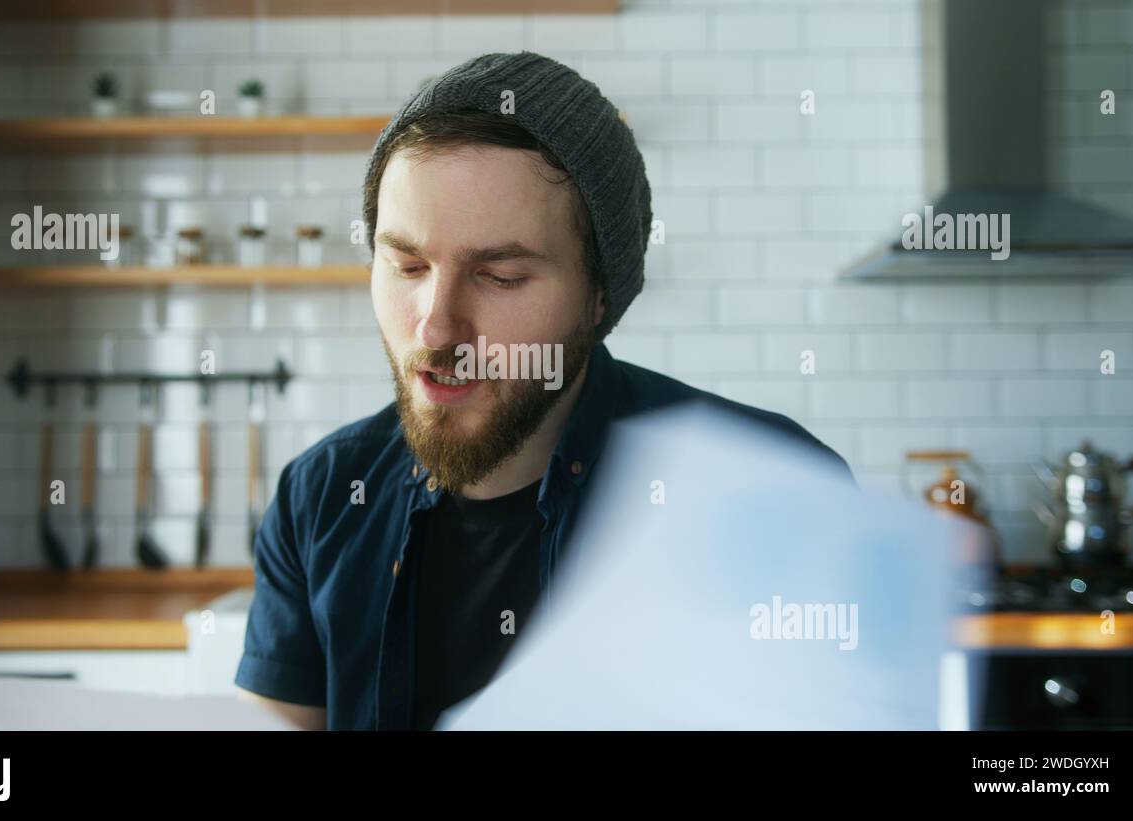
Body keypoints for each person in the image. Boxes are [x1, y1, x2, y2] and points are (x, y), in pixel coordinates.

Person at [236, 51, 851, 731]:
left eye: (499, 275)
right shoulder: (320, 497)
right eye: (407, 263)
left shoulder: (771, 486)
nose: (436, 326)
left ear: (597, 297)